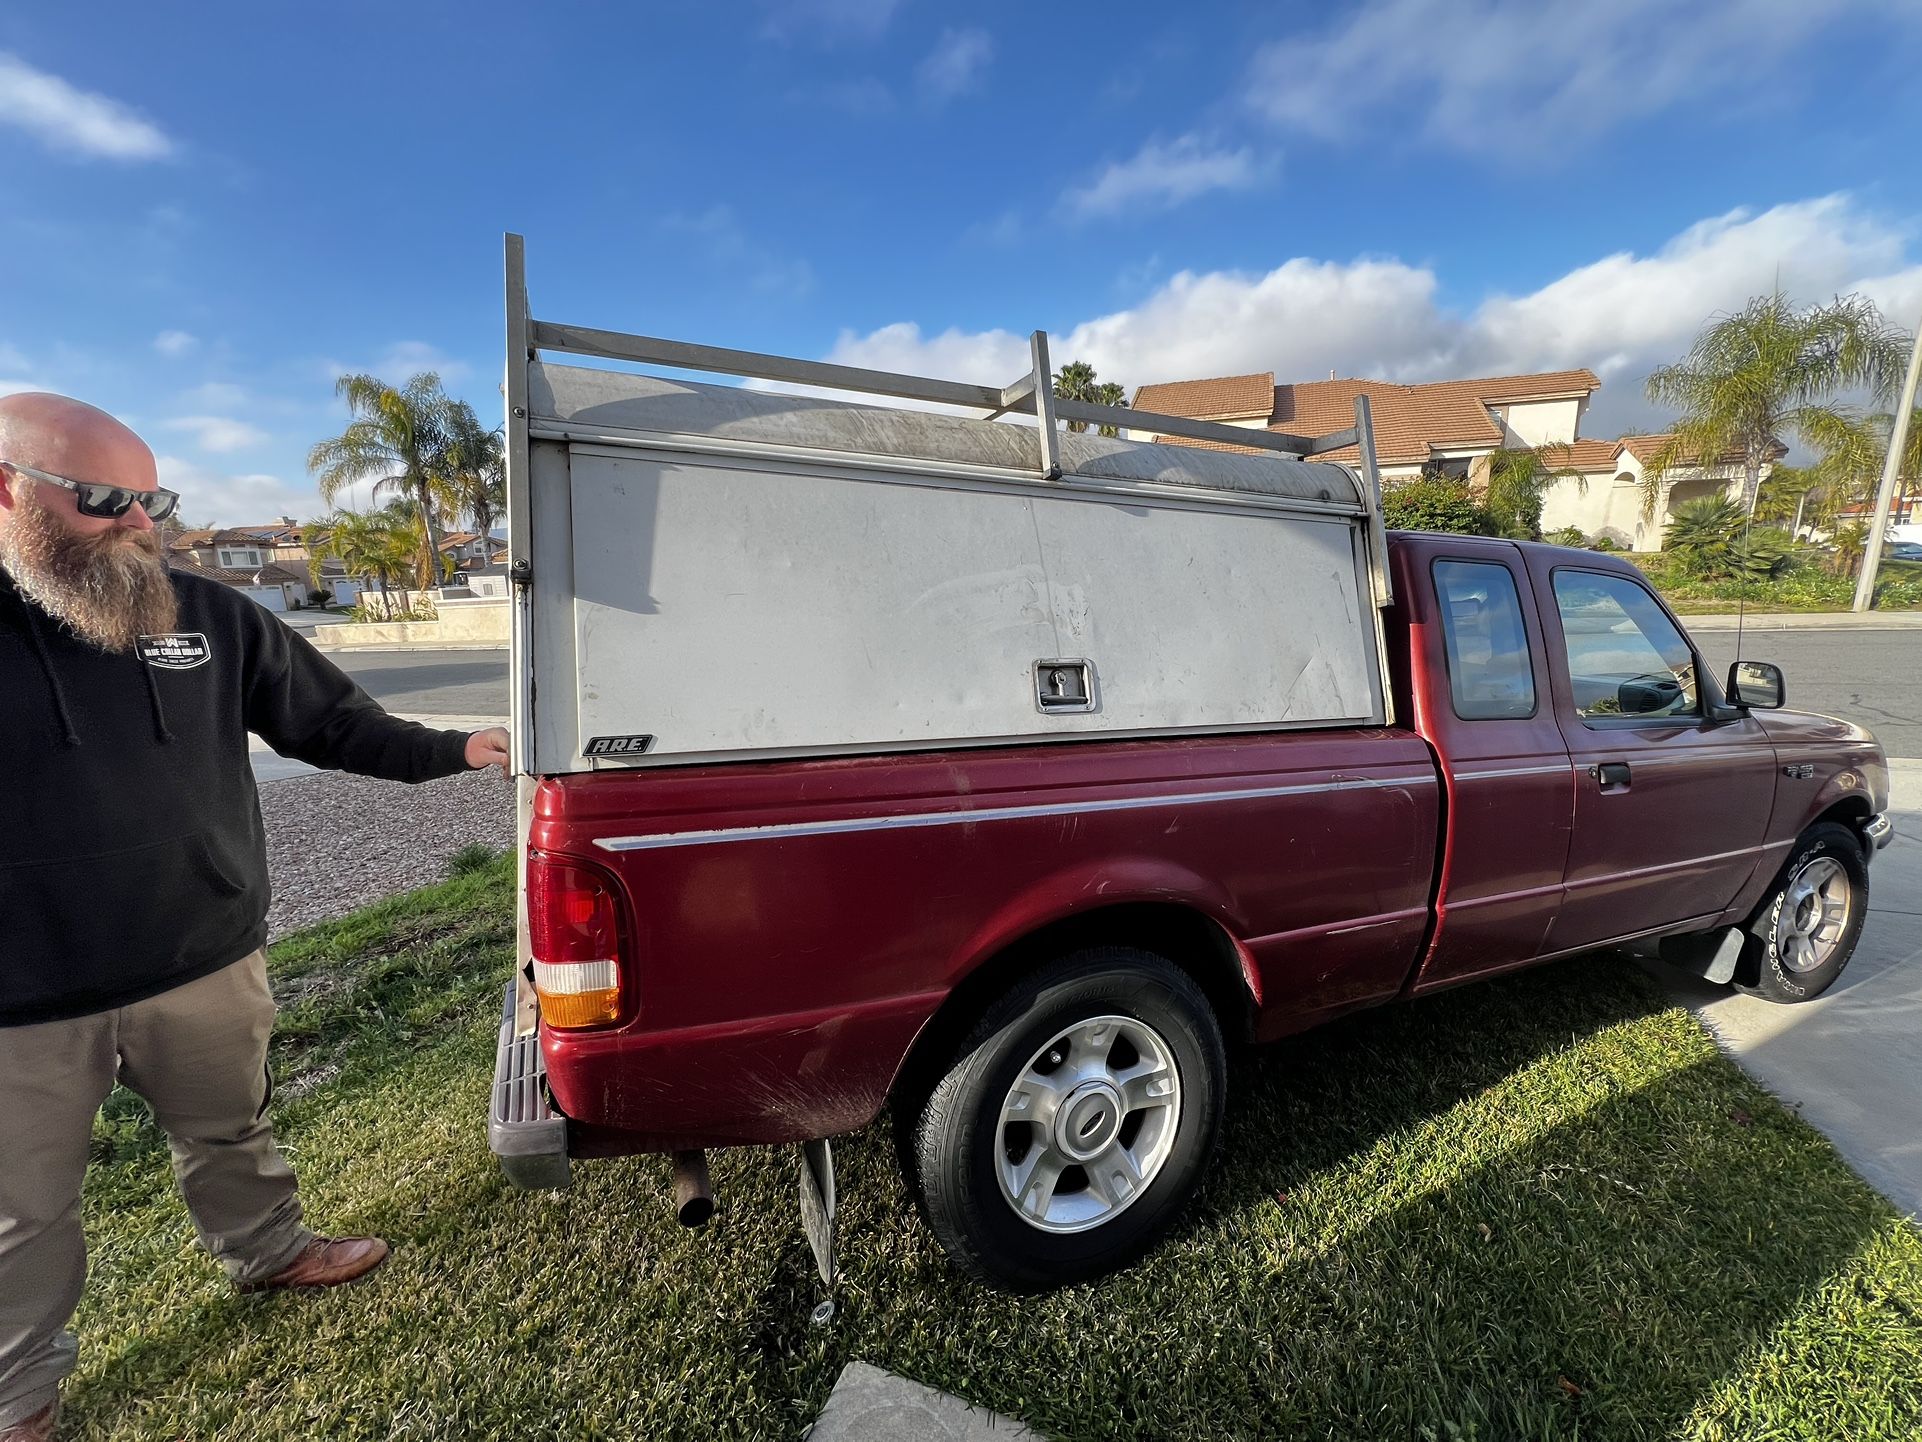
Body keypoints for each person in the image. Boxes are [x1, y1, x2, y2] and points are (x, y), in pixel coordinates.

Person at [0, 392, 511, 1442]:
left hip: (203, 956)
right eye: (105, 499)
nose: (141, 523)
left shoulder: (204, 610)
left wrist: (453, 748)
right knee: (19, 1214)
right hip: (19, 1003)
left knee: (233, 1127)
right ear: (10, 491)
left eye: (154, 498)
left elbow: (329, 721)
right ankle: (19, 1396)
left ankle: (271, 1250)